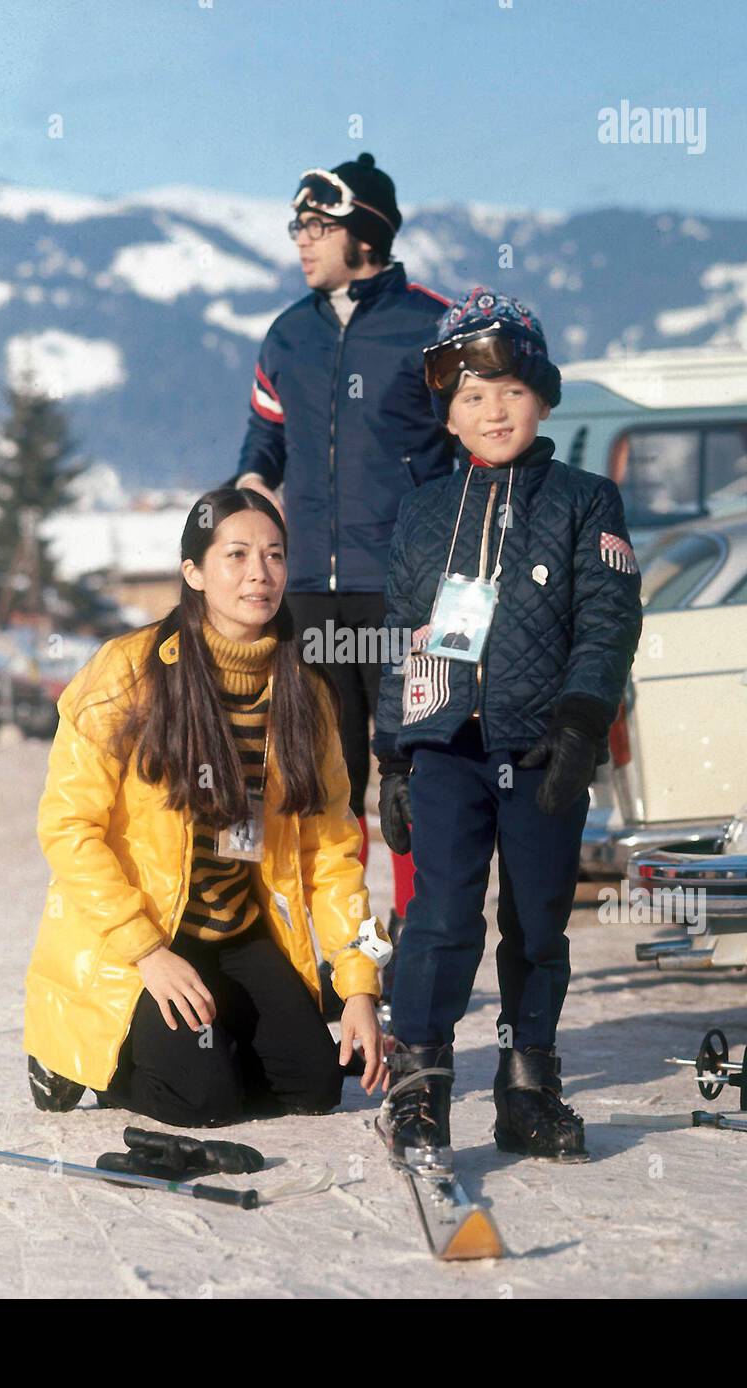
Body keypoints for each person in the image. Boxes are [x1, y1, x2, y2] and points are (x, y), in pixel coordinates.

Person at [373, 289, 643, 1162]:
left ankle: (528, 1086)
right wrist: (393, 755)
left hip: (541, 749)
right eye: (472, 397)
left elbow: (607, 623)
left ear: (545, 398)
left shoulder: (585, 502)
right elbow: (406, 637)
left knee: (536, 921)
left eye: (511, 391)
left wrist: (579, 725)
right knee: (441, 918)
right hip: (446, 747)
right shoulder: (420, 514)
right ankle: (419, 1086)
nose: (494, 411)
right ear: (448, 416)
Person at [24, 487, 390, 1126]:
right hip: (143, 938)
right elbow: (68, 827)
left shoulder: (305, 693)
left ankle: (209, 1048)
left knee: (314, 1086)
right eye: (238, 554)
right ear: (193, 573)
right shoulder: (126, 673)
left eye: (275, 555)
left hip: (235, 933)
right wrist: (146, 952)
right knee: (202, 1101)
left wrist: (358, 984)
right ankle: (76, 1060)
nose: (260, 573)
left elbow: (332, 848)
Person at [232, 153, 454, 995]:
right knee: (326, 785)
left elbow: (472, 442)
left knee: (412, 779)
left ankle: (419, 946)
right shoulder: (287, 334)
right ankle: (344, 951)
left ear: (365, 232)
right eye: (298, 227)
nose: (301, 242)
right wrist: (254, 477)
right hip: (312, 601)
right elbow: (264, 437)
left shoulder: (433, 327)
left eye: (316, 227)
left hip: (406, 594)